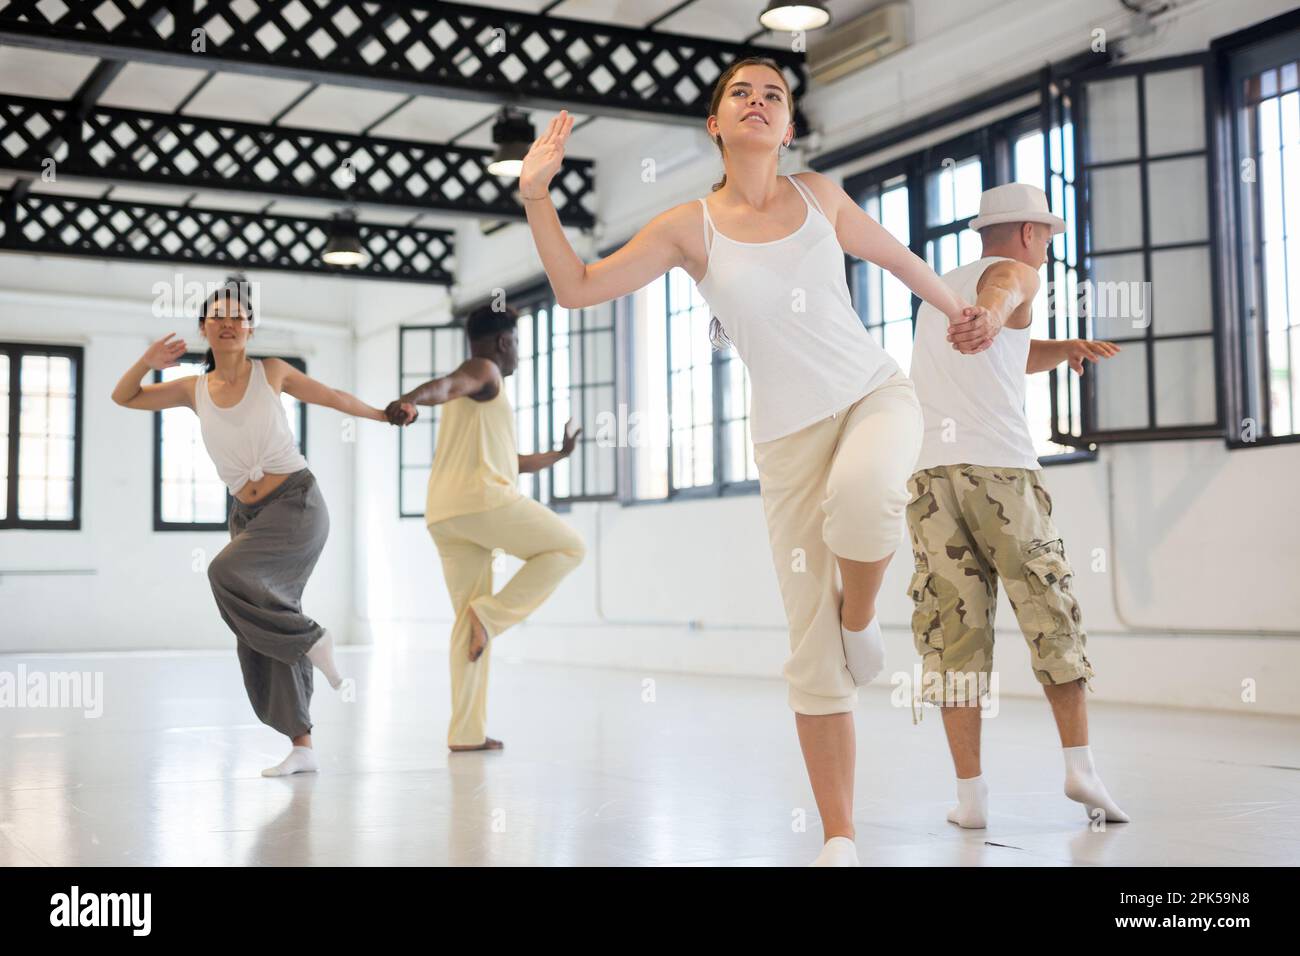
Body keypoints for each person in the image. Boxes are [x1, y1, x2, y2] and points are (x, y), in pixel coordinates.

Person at [515, 57, 983, 866]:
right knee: (810, 650)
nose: (760, 102)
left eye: (775, 95)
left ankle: (862, 617)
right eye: (743, 93)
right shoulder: (686, 226)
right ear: (716, 124)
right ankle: (839, 836)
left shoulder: (820, 197)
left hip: (873, 393)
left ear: (790, 126)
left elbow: (901, 259)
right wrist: (534, 193)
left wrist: (958, 312)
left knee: (869, 496)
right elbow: (577, 289)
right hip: (785, 440)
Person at [112, 275, 402, 777]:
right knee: (260, 629)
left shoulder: (272, 372)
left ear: (250, 328)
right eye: (218, 316)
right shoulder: (191, 388)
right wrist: (147, 363)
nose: (228, 322)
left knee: (226, 574)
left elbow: (331, 396)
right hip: (247, 516)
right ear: (204, 327)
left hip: (297, 507)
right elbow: (125, 397)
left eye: (238, 316)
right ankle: (303, 745)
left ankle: (312, 637)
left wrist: (382, 413)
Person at [906, 182, 1129, 828]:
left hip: (930, 478)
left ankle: (971, 801)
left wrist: (1061, 350)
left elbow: (999, 343)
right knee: (1049, 611)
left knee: (953, 638)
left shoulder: (943, 286)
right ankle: (1080, 769)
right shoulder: (1015, 274)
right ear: (1030, 233)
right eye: (1049, 241)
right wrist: (996, 312)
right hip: (1000, 474)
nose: (1048, 253)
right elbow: (1004, 295)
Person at [387, 304, 584, 753]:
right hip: (482, 503)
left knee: (466, 623)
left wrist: (558, 455)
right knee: (570, 548)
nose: (518, 354)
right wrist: (412, 400)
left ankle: (466, 734)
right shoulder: (483, 371)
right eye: (516, 343)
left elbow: (509, 462)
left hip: (446, 515)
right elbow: (448, 383)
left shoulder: (484, 400)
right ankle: (490, 617)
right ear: (502, 342)